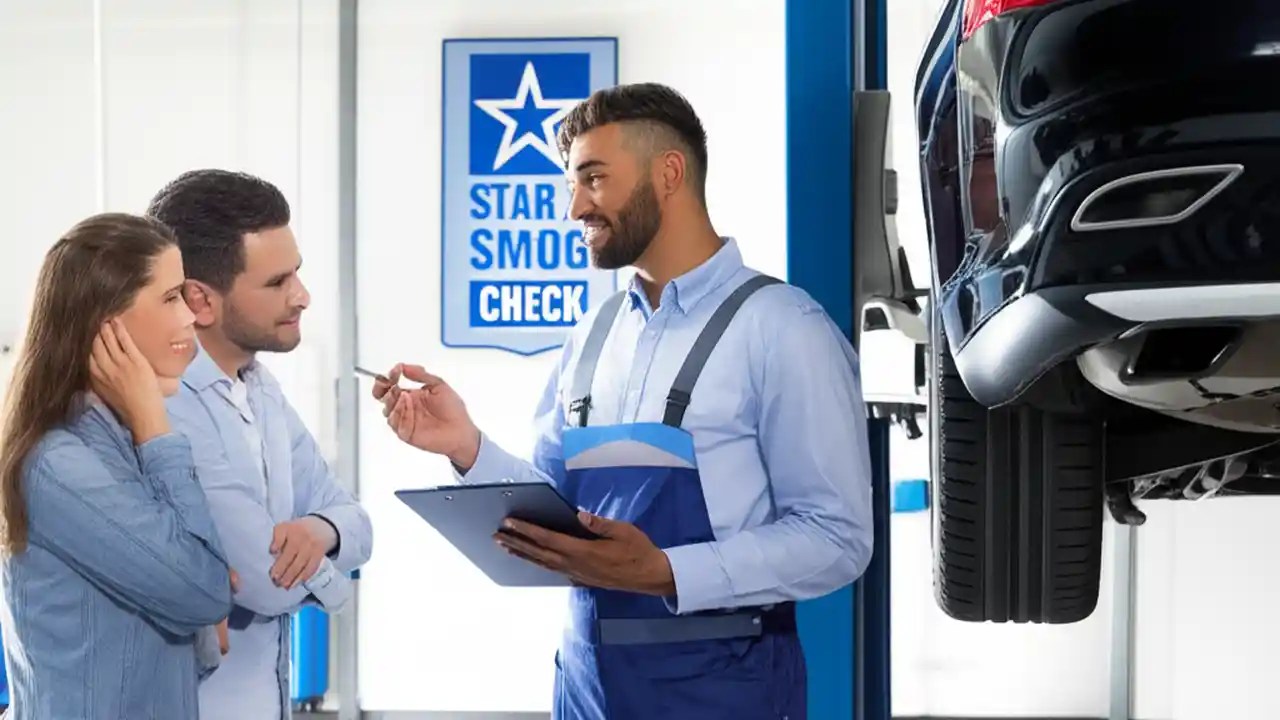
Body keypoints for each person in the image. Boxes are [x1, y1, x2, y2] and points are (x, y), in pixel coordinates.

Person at [374, 83, 874, 719]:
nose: (573, 207)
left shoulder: (783, 329)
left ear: (669, 173)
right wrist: (465, 447)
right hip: (586, 689)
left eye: (594, 178)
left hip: (723, 692)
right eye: (572, 183)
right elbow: (555, 511)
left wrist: (665, 571)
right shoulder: (592, 334)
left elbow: (838, 538)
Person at [147, 169, 373, 720]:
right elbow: (264, 583)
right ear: (200, 300)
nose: (303, 296)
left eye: (296, 273)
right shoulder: (166, 403)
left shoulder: (260, 388)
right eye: (277, 283)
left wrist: (321, 529)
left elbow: (357, 524)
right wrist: (334, 587)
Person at [0, 213, 235, 720]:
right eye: (170, 298)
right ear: (107, 324)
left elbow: (201, 622)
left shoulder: (120, 446)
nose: (190, 318)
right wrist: (153, 421)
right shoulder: (60, 464)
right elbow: (205, 594)